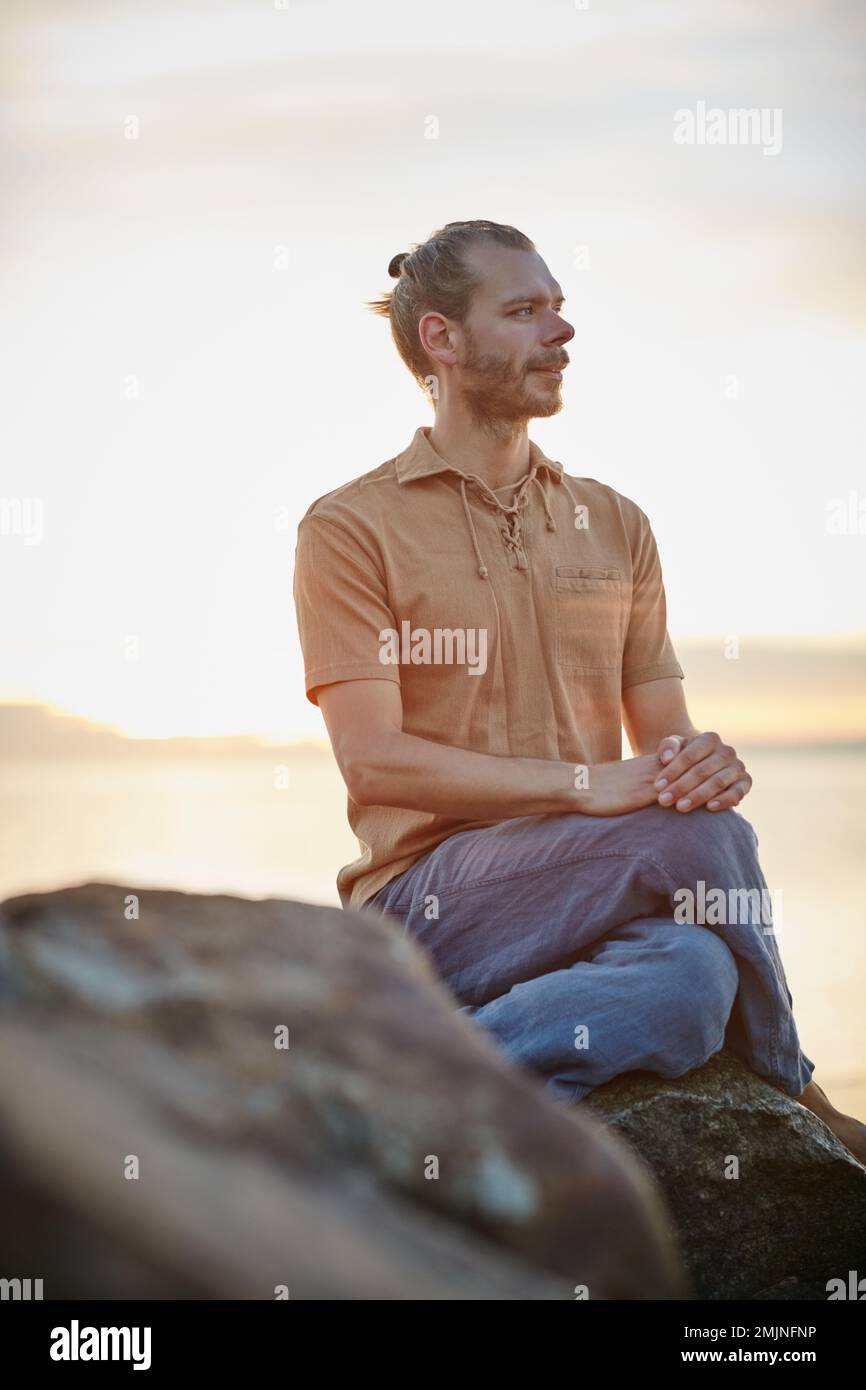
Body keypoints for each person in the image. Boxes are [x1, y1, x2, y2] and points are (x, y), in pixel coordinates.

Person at [293, 219, 866, 1162]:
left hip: (592, 892)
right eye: (524, 311)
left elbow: (665, 737)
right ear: (441, 339)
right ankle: (798, 1091)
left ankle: (429, 1090)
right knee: (706, 839)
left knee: (688, 976)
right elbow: (373, 758)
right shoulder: (350, 526)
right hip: (430, 910)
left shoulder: (618, 523)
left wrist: (698, 761)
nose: (560, 331)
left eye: (559, 308)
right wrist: (582, 786)